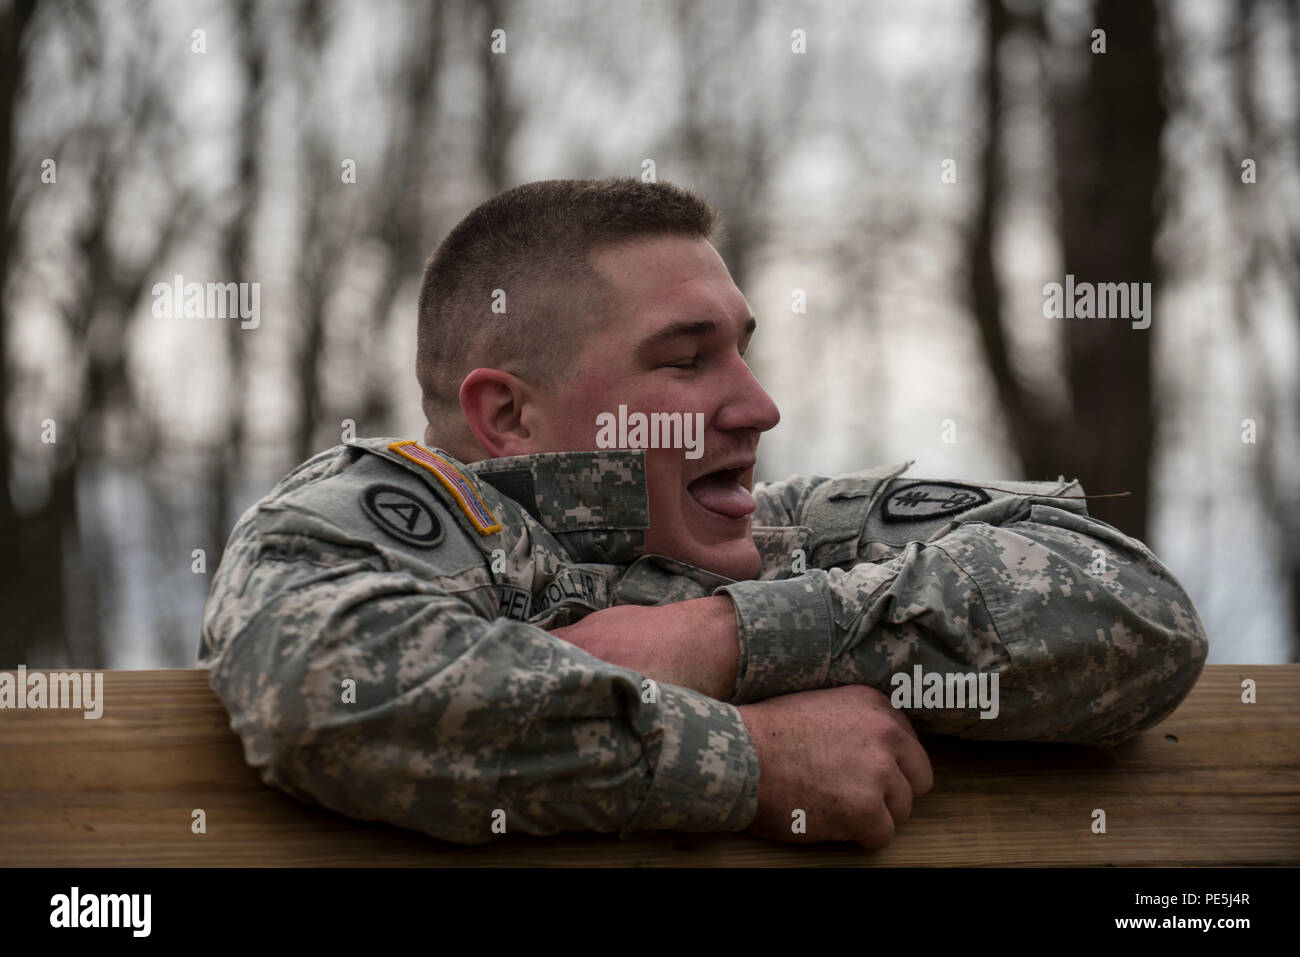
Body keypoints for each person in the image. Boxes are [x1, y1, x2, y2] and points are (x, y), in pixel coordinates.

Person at [198, 177, 1208, 848]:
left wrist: (722, 636)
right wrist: (753, 762)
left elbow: (1137, 615)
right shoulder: (367, 523)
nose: (759, 405)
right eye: (685, 359)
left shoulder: (790, 538)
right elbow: (326, 690)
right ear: (506, 412)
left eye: (743, 346)